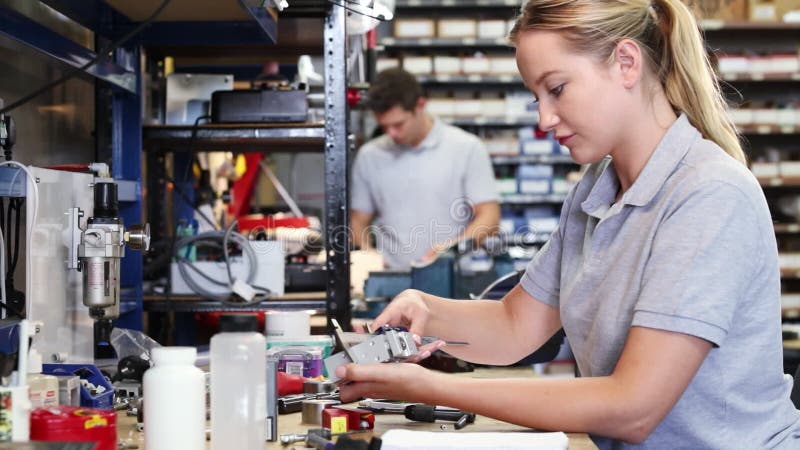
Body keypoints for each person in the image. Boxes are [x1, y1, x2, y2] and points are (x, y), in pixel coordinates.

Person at [336, 0, 800, 448]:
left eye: (556, 89)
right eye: (535, 96)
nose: (543, 118)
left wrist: (425, 387)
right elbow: (516, 324)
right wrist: (425, 310)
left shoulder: (708, 194)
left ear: (625, 63)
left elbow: (632, 407)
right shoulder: (597, 186)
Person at [350, 68, 500, 269]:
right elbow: (358, 220)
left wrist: (450, 248)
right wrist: (370, 256)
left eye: (398, 124)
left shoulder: (467, 148)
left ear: (420, 105)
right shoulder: (370, 156)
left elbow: (489, 217)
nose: (391, 133)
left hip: (453, 279)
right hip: (394, 279)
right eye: (385, 127)